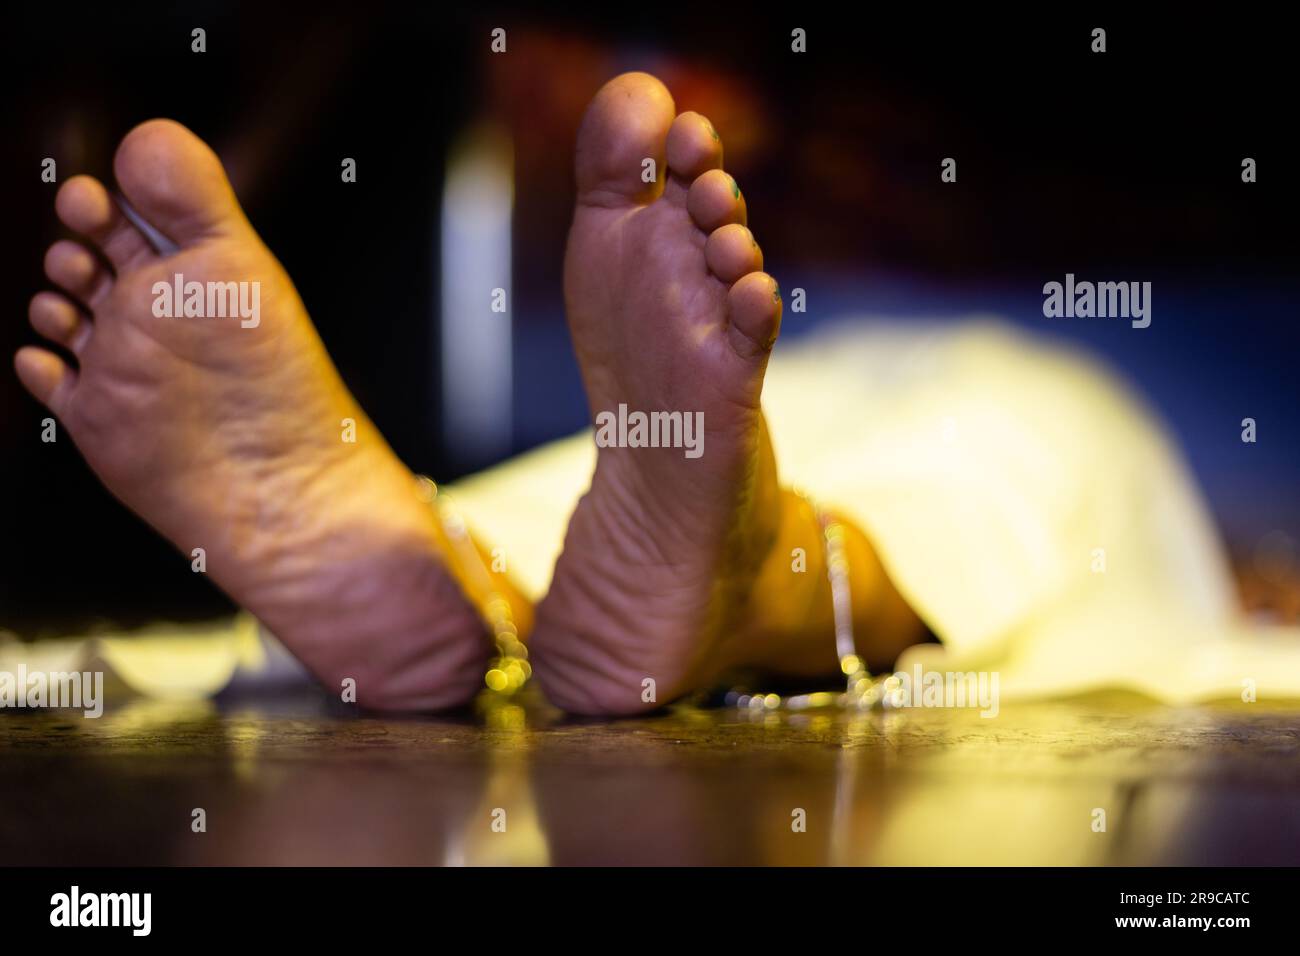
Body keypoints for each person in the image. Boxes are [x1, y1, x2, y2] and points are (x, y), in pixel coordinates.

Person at [16, 73, 1299, 716]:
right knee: (1027, 453)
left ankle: (459, 565)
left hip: (816, 363)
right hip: (941, 371)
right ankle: (747, 572)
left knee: (991, 421)